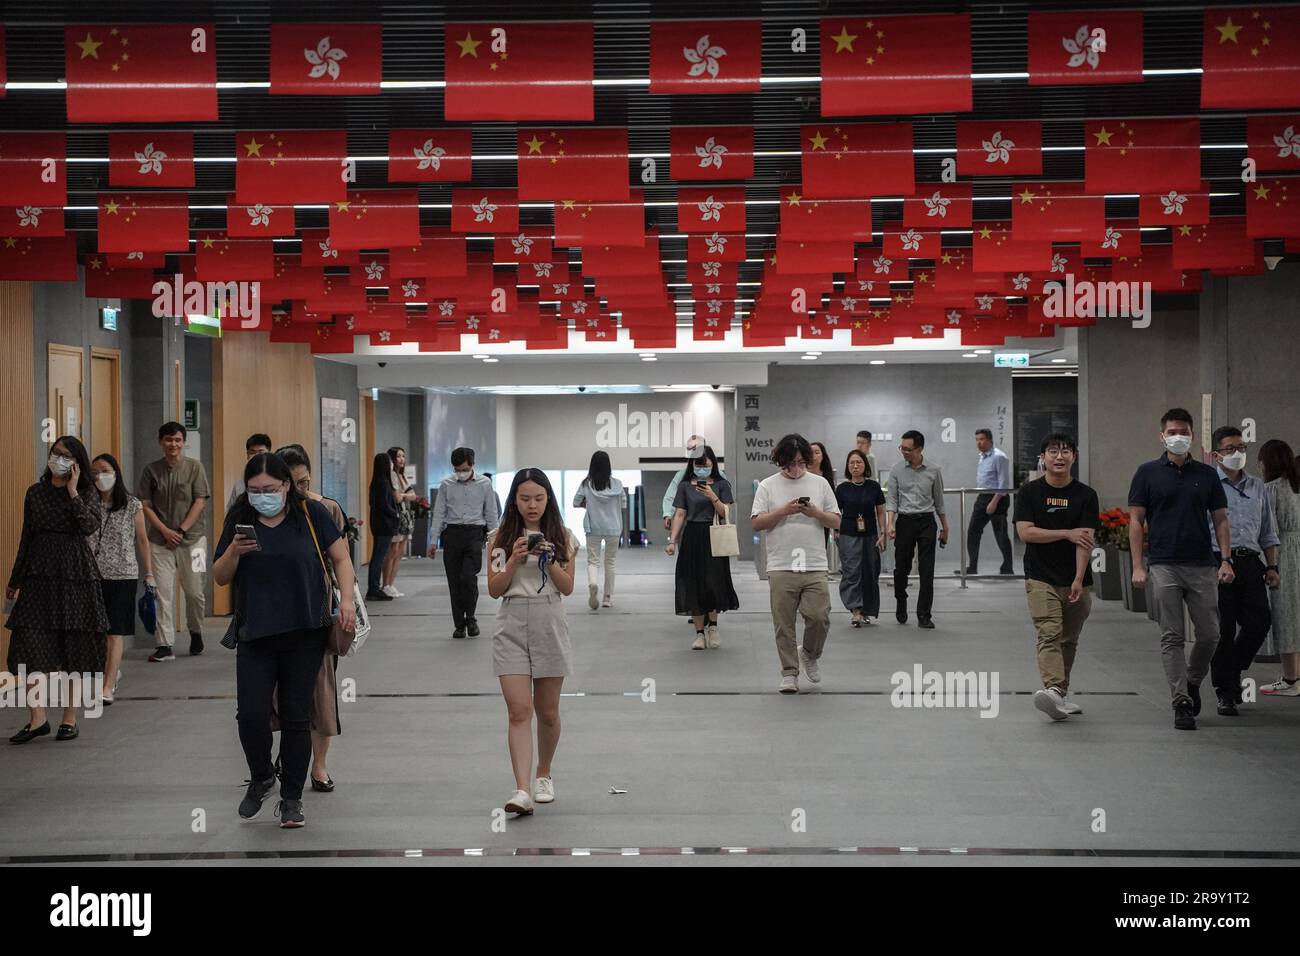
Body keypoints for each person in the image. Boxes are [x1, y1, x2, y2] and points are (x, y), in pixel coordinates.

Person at [213, 453, 356, 829]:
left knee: (296, 715)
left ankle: (291, 798)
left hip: (305, 631)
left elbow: (340, 558)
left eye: (270, 489)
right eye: (255, 490)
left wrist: (347, 602)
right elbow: (220, 576)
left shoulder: (310, 514)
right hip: (256, 632)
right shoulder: (240, 520)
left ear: (287, 486)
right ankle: (262, 775)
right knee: (251, 714)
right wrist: (233, 551)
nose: (262, 496)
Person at [1128, 408, 1233, 731]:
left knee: (1210, 634)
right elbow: (1135, 520)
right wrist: (1137, 565)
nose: (1178, 436)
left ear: (1191, 435)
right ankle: (1180, 701)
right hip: (1163, 564)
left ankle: (1191, 680)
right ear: (1162, 436)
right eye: (1172, 431)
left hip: (1201, 564)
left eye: (1183, 431)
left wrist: (1226, 559)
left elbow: (1220, 518)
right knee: (1171, 635)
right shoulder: (1147, 473)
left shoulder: (1207, 474)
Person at [486, 468, 578, 816]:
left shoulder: (564, 536)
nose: (532, 505)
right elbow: (495, 589)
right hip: (510, 621)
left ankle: (544, 774)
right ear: (514, 500)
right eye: (525, 498)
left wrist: (550, 561)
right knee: (518, 709)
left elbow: (567, 587)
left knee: (549, 712)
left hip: (549, 619)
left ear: (548, 500)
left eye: (539, 498)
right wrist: (513, 560)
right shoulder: (498, 537)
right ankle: (521, 788)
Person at [6, 436, 109, 744]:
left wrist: (74, 491)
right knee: (27, 643)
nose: (59, 459)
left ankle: (69, 718)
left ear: (77, 462)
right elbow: (27, 536)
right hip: (39, 574)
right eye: (56, 454)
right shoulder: (35, 493)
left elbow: (89, 525)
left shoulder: (87, 492)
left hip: (75, 573)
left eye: (66, 456)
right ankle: (37, 718)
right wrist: (15, 579)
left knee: (74, 647)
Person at [1013, 434, 1099, 721]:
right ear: (1043, 457)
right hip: (1040, 576)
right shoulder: (1029, 493)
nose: (1059, 457)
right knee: (1049, 633)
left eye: (1065, 452)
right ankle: (1051, 689)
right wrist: (1065, 532)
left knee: (1069, 639)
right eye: (1052, 451)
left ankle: (1059, 694)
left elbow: (1084, 540)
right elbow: (1025, 532)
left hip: (1076, 579)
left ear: (1074, 456)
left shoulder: (1086, 495)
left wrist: (1078, 579)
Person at [278, 445, 347, 791]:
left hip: (319, 608)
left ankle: (318, 765)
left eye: (304, 481)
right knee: (280, 692)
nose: (300, 490)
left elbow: (342, 561)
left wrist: (346, 601)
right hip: (277, 611)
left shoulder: (327, 509)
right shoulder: (267, 513)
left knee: (321, 691)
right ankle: (287, 757)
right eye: (292, 483)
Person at [751, 434, 841, 693]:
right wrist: (783, 511)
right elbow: (757, 523)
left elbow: (836, 521)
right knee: (784, 622)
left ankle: (810, 653)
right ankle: (789, 672)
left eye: (801, 462)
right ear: (780, 461)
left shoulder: (820, 483)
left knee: (819, 616)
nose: (796, 468)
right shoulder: (768, 486)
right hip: (780, 564)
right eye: (790, 463)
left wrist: (815, 513)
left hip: (814, 563)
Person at [1206, 426, 1280, 716]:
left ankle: (1230, 668)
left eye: (1241, 447)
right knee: (1223, 629)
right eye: (1229, 449)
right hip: (1216, 561)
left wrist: (1272, 566)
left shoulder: (1257, 485)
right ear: (1216, 455)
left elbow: (1268, 530)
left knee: (1259, 622)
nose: (1236, 454)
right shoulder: (1208, 484)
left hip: (1250, 562)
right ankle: (1226, 691)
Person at [138, 421, 210, 660]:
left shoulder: (195, 468)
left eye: (178, 440)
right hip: (160, 541)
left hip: (194, 540)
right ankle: (165, 644)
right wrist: (165, 531)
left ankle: (196, 631)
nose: (173, 444)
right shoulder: (151, 470)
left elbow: (200, 500)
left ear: (183, 442)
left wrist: (179, 530)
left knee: (195, 591)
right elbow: (145, 505)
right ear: (160, 442)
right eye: (168, 440)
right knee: (163, 593)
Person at [89, 453, 155, 705]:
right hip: (91, 576)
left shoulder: (132, 504)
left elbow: (142, 540)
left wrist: (149, 574)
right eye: (94, 472)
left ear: (116, 473)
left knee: (114, 633)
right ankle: (110, 672)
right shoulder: (87, 503)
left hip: (123, 575)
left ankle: (107, 686)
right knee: (96, 632)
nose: (99, 477)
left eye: (104, 471)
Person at [665, 445, 739, 649]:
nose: (701, 468)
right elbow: (680, 513)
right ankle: (699, 633)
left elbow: (725, 512)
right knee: (692, 582)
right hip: (692, 536)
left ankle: (713, 626)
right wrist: (672, 540)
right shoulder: (684, 486)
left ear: (713, 463)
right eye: (697, 464)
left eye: (705, 464)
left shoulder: (722, 484)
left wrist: (711, 495)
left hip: (714, 534)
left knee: (713, 582)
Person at [429, 448, 501, 640]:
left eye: (464, 469)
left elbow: (491, 514)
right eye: (457, 469)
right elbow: (439, 513)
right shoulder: (446, 485)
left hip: (474, 534)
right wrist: (432, 540)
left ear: (472, 465)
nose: (461, 472)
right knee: (454, 581)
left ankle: (471, 617)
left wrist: (496, 540)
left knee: (468, 577)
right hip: (451, 534)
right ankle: (459, 625)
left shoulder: (485, 484)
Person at [885, 430, 949, 629]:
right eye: (901, 448)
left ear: (919, 449)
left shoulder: (934, 470)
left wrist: (945, 527)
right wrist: (890, 523)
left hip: (926, 521)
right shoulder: (896, 470)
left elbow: (939, 501)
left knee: (927, 569)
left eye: (907, 449)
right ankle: (901, 600)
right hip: (904, 521)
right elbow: (892, 500)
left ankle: (924, 614)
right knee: (901, 567)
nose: (903, 452)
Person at [1259, 440, 1300, 697]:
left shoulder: (1271, 489)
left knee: (1286, 614)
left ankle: (1289, 679)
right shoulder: (1297, 487)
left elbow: (1268, 529)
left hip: (1283, 553)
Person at [835, 449, 886, 627]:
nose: (855, 466)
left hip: (870, 534)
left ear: (865, 465)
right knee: (851, 572)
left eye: (859, 462)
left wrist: (883, 533)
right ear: (848, 467)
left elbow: (880, 511)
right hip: (848, 534)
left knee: (870, 572)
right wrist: (836, 531)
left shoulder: (873, 487)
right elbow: (835, 513)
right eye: (852, 463)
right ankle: (855, 610)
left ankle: (867, 610)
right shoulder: (842, 489)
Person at [573, 451, 623, 610]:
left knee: (593, 561)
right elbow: (623, 504)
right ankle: (607, 598)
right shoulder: (617, 484)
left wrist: (588, 505)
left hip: (593, 527)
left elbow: (575, 502)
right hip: (613, 527)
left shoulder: (586, 484)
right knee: (610, 562)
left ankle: (593, 583)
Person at [965, 428, 1014, 575]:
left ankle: (1007, 567)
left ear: (990, 440)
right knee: (973, 531)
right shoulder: (983, 456)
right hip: (983, 497)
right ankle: (972, 567)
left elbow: (1003, 483)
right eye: (977, 439)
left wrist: (994, 502)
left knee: (1000, 534)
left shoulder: (999, 457)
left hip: (997, 498)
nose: (978, 442)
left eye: (981, 439)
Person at [383, 446, 417, 598]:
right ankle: (385, 584)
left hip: (405, 516)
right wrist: (405, 495)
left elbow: (413, 496)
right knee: (393, 551)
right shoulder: (391, 475)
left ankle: (392, 584)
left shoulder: (402, 476)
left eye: (403, 456)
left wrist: (403, 495)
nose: (402, 459)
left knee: (400, 552)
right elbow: (397, 497)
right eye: (398, 456)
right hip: (396, 516)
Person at [366, 453, 399, 603]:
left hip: (378, 524)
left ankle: (374, 587)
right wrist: (396, 514)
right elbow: (385, 505)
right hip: (384, 525)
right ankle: (373, 588)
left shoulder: (376, 482)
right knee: (379, 557)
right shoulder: (383, 483)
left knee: (377, 557)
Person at [227, 433, 272, 511]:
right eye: (252, 452)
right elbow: (230, 512)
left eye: (261, 452)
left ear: (269, 454)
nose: (256, 456)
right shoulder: (239, 484)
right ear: (247, 455)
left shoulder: (276, 480)